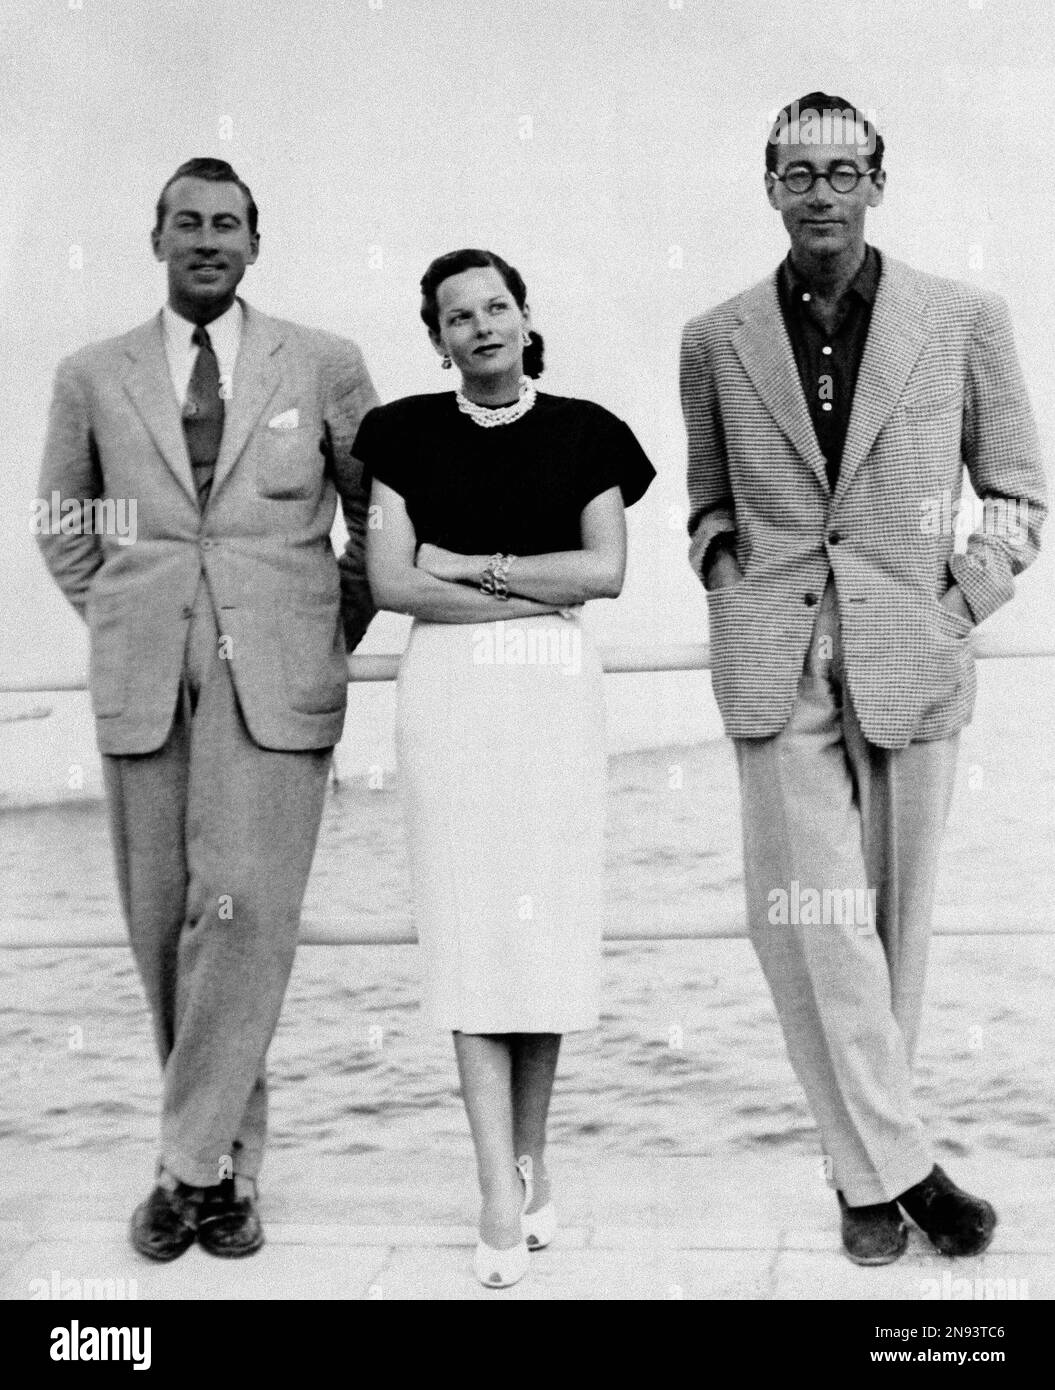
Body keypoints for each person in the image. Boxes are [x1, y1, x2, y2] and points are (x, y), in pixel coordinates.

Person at [681, 93, 1046, 1265]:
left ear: (877, 182)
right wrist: (726, 571)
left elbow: (1018, 493)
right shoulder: (716, 334)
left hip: (912, 649)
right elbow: (705, 501)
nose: (820, 193)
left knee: (894, 925)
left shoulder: (961, 318)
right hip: (775, 657)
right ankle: (901, 1167)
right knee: (816, 922)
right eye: (798, 173)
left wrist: (957, 600)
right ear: (769, 187)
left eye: (843, 172)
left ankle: (859, 1175)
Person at [35, 157, 379, 1261]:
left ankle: (184, 1167)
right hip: (143, 675)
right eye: (187, 223)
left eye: (227, 224)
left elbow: (378, 517)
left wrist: (320, 627)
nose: (206, 241)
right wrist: (134, 618)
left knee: (240, 907)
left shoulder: (322, 363)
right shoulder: (92, 374)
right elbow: (64, 522)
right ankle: (227, 1174)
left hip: (275, 677)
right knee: (162, 919)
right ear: (156, 240)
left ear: (254, 243)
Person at [358, 248, 654, 1287]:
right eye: (456, 315)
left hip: (553, 698)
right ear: (434, 335)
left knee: (542, 938)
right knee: (472, 935)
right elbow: (392, 581)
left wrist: (467, 564)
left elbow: (605, 571)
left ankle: (531, 1163)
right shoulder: (397, 433)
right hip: (447, 699)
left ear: (525, 317)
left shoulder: (587, 431)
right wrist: (524, 584)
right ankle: (494, 1187)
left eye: (495, 307)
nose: (479, 326)